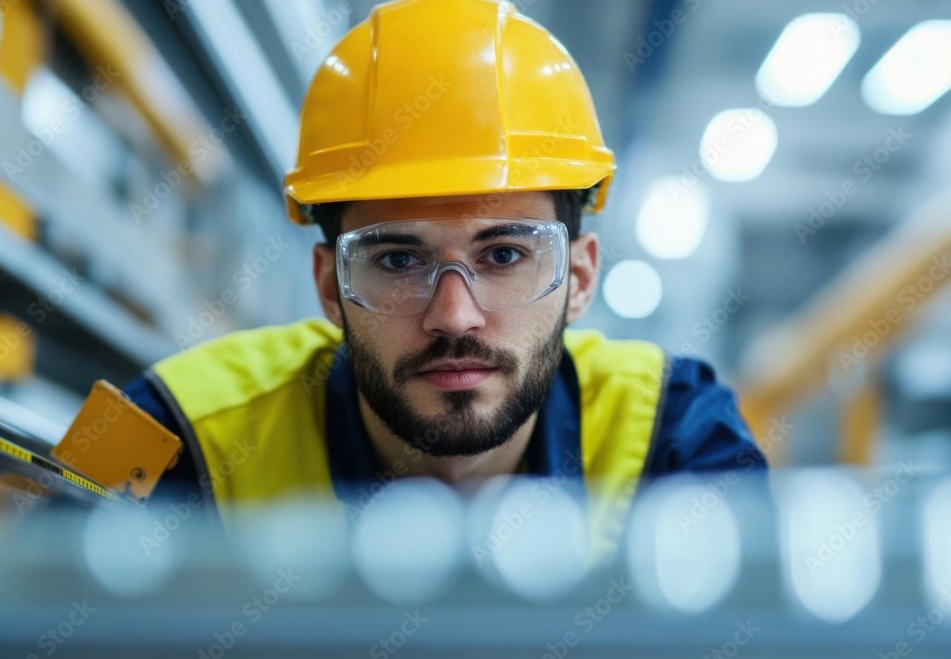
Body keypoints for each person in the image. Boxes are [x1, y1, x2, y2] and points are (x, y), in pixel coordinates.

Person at [121, 0, 765, 558]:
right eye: (399, 260)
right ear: (329, 286)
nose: (454, 316)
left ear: (580, 275)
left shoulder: (674, 431)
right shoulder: (173, 427)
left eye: (505, 256)